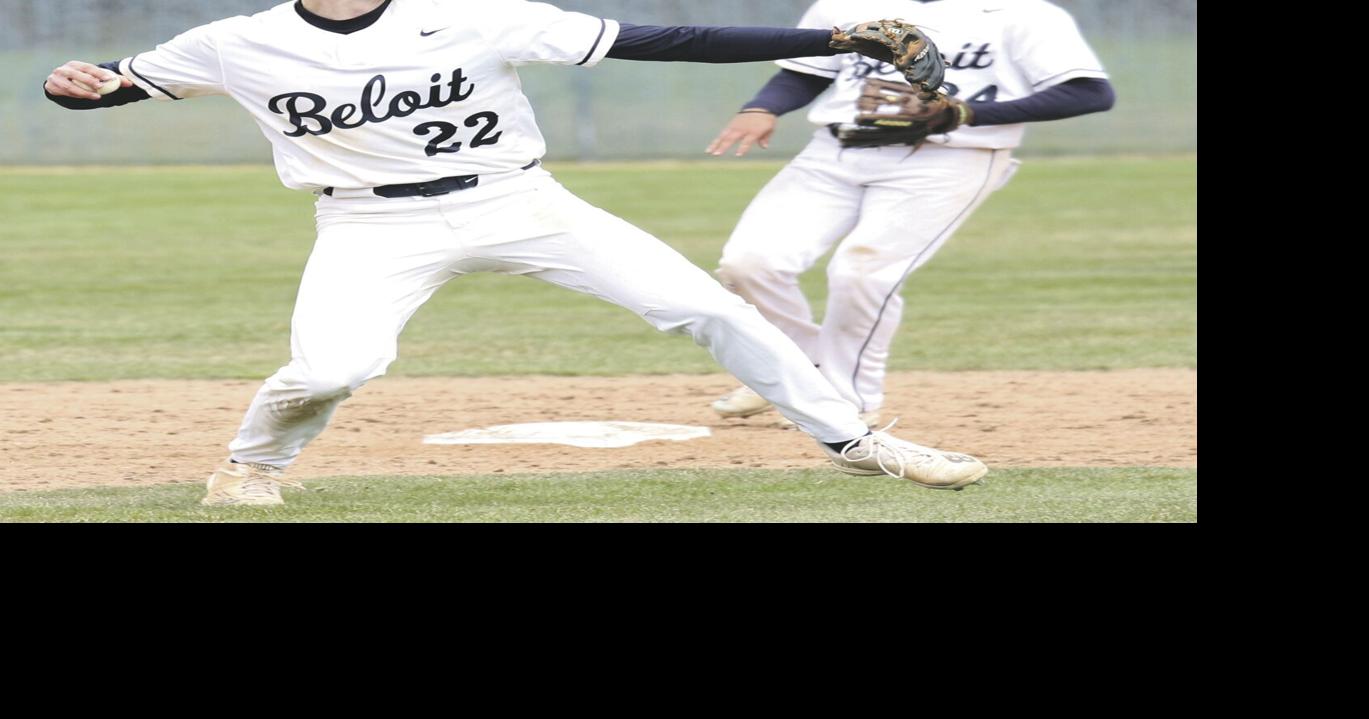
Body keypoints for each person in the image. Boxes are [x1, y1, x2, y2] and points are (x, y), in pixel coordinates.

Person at [43, 0, 990, 506]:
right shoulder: (237, 42)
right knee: (334, 365)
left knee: (706, 306)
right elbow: (113, 86)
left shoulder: (471, 12)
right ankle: (248, 470)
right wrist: (73, 85)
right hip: (371, 223)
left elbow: (663, 38)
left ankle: (855, 441)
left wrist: (833, 38)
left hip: (522, 201)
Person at [705, 0, 1115, 428]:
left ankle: (847, 399)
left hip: (953, 156)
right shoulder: (844, 5)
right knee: (749, 264)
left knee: (862, 273)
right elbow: (804, 72)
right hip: (833, 151)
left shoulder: (1024, 14)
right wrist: (762, 107)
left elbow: (1089, 92)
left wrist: (967, 113)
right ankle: (802, 370)